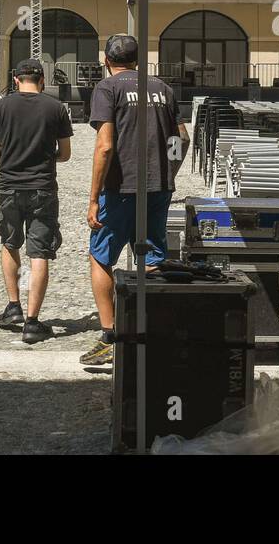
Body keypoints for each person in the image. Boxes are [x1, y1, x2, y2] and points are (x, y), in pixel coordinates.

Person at [80, 34, 189, 366]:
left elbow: (105, 146)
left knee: (101, 256)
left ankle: (111, 335)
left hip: (120, 188)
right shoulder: (163, 88)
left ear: (106, 60)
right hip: (158, 188)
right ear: (138, 59)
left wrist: (94, 197)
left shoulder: (107, 88)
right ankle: (151, 329)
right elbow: (182, 137)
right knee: (152, 257)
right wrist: (168, 169)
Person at [0, 58, 73, 344]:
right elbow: (66, 153)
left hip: (9, 186)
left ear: (15, 79)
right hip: (43, 187)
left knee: (10, 244)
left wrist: (7, 159)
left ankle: (13, 307)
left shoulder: (1, 106)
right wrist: (47, 159)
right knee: (40, 253)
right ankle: (33, 322)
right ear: (43, 80)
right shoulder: (56, 108)